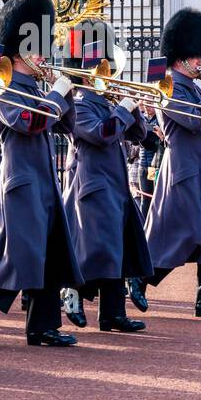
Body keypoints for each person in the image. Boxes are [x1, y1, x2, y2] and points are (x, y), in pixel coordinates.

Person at [0, 0, 82, 347]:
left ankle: (42, 326)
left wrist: (65, 94)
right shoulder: (4, 88)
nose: (43, 55)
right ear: (18, 52)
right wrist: (55, 97)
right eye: (37, 48)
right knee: (20, 252)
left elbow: (68, 126)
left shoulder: (36, 88)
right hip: (19, 180)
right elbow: (28, 123)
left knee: (47, 255)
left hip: (43, 181)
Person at [141, 8, 201, 318]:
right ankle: (140, 277)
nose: (200, 61)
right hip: (183, 169)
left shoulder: (193, 86)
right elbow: (193, 120)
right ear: (181, 58)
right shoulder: (168, 86)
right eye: (195, 57)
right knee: (184, 233)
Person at [59, 24, 151, 333]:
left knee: (118, 251)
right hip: (93, 186)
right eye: (100, 67)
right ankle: (70, 287)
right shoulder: (81, 103)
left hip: (116, 186)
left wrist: (132, 107)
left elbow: (141, 135)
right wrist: (122, 110)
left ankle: (112, 314)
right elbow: (101, 134)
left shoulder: (108, 101)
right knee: (98, 251)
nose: (107, 72)